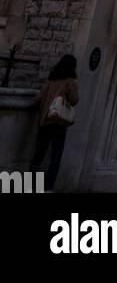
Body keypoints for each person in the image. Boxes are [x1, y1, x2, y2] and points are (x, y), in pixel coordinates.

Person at [31, 54, 79, 191]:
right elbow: (74, 100)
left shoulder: (51, 81)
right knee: (55, 159)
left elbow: (38, 99)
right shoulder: (71, 82)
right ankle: (47, 188)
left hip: (45, 122)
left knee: (37, 157)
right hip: (59, 122)